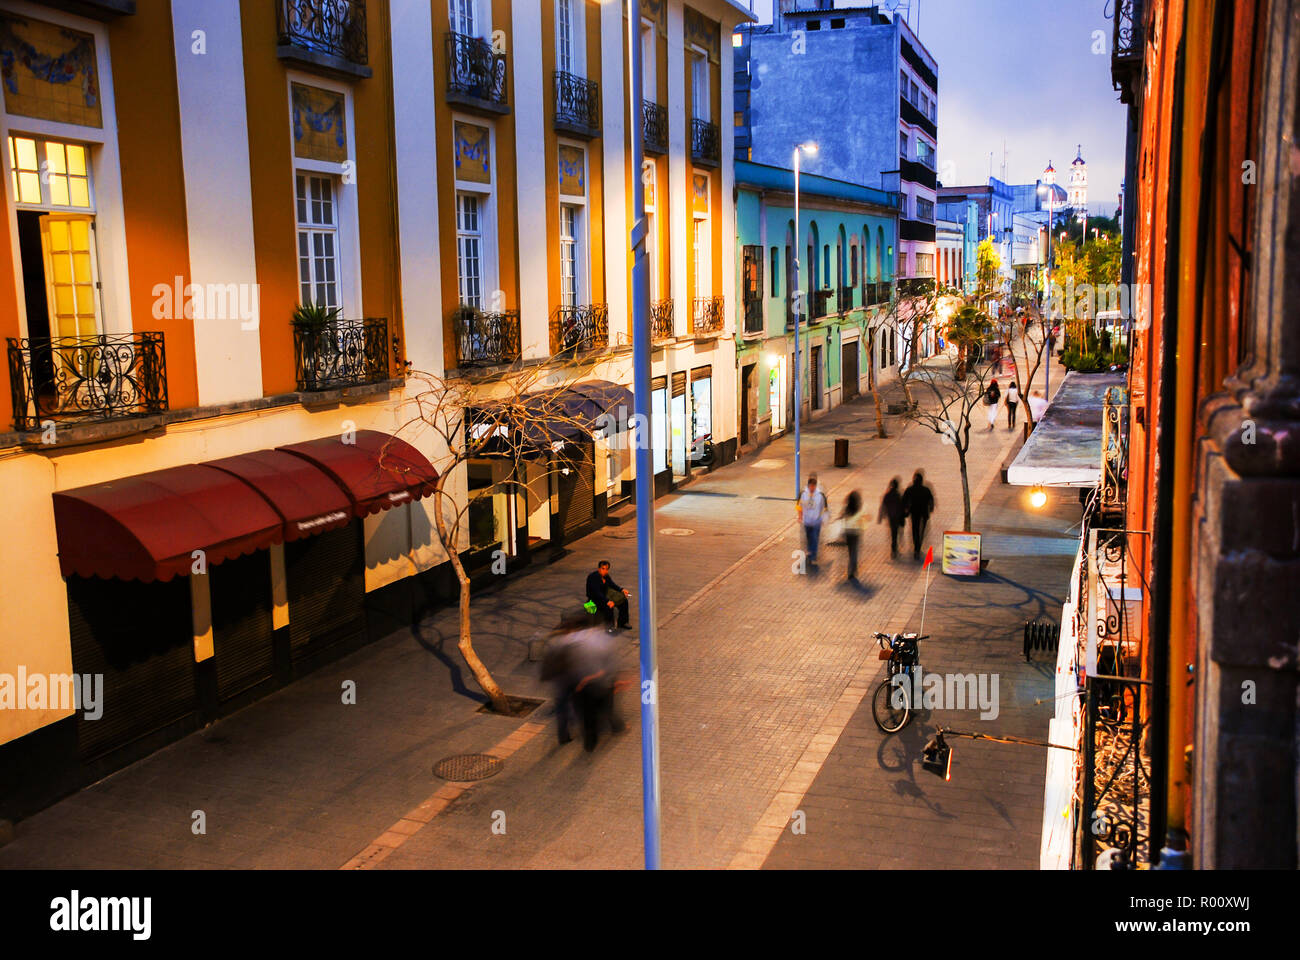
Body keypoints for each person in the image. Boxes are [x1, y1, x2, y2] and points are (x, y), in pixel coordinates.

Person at [567, 628, 627, 752]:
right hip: (597, 688)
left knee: (591, 716)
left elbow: (603, 671)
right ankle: (611, 729)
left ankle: (591, 742)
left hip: (593, 688)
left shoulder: (584, 653)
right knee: (602, 711)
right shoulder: (597, 653)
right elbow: (603, 671)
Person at [585, 560, 630, 632]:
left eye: (607, 569)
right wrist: (608, 601)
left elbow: (612, 584)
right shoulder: (593, 577)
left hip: (605, 596)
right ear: (599, 568)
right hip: (594, 599)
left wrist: (621, 589)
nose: (605, 571)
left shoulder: (606, 576)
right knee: (609, 606)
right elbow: (597, 593)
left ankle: (623, 622)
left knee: (624, 601)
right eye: (603, 568)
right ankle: (609, 627)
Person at [900, 471, 935, 560]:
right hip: (923, 513)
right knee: (921, 531)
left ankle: (917, 547)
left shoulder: (910, 489)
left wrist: (905, 510)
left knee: (915, 530)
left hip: (914, 513)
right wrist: (931, 508)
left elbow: (904, 500)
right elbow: (931, 499)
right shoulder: (925, 490)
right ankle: (918, 547)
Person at [797, 475, 830, 567]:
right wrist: (800, 516)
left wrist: (824, 518)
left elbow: (825, 508)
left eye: (813, 486)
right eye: (810, 486)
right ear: (808, 486)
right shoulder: (803, 494)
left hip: (816, 522)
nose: (812, 488)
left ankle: (813, 556)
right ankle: (810, 552)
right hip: (807, 521)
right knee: (808, 538)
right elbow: (799, 506)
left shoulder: (820, 495)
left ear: (815, 486)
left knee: (814, 538)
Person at [841, 491, 866, 582]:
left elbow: (843, 519)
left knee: (850, 552)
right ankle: (852, 570)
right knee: (854, 553)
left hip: (848, 533)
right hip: (855, 533)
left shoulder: (847, 508)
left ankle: (851, 570)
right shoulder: (858, 509)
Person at [877, 477, 905, 558]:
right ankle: (895, 549)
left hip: (891, 517)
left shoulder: (887, 494)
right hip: (897, 517)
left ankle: (894, 549)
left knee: (893, 533)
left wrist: (880, 517)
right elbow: (902, 506)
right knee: (896, 533)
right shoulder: (898, 494)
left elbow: (883, 506)